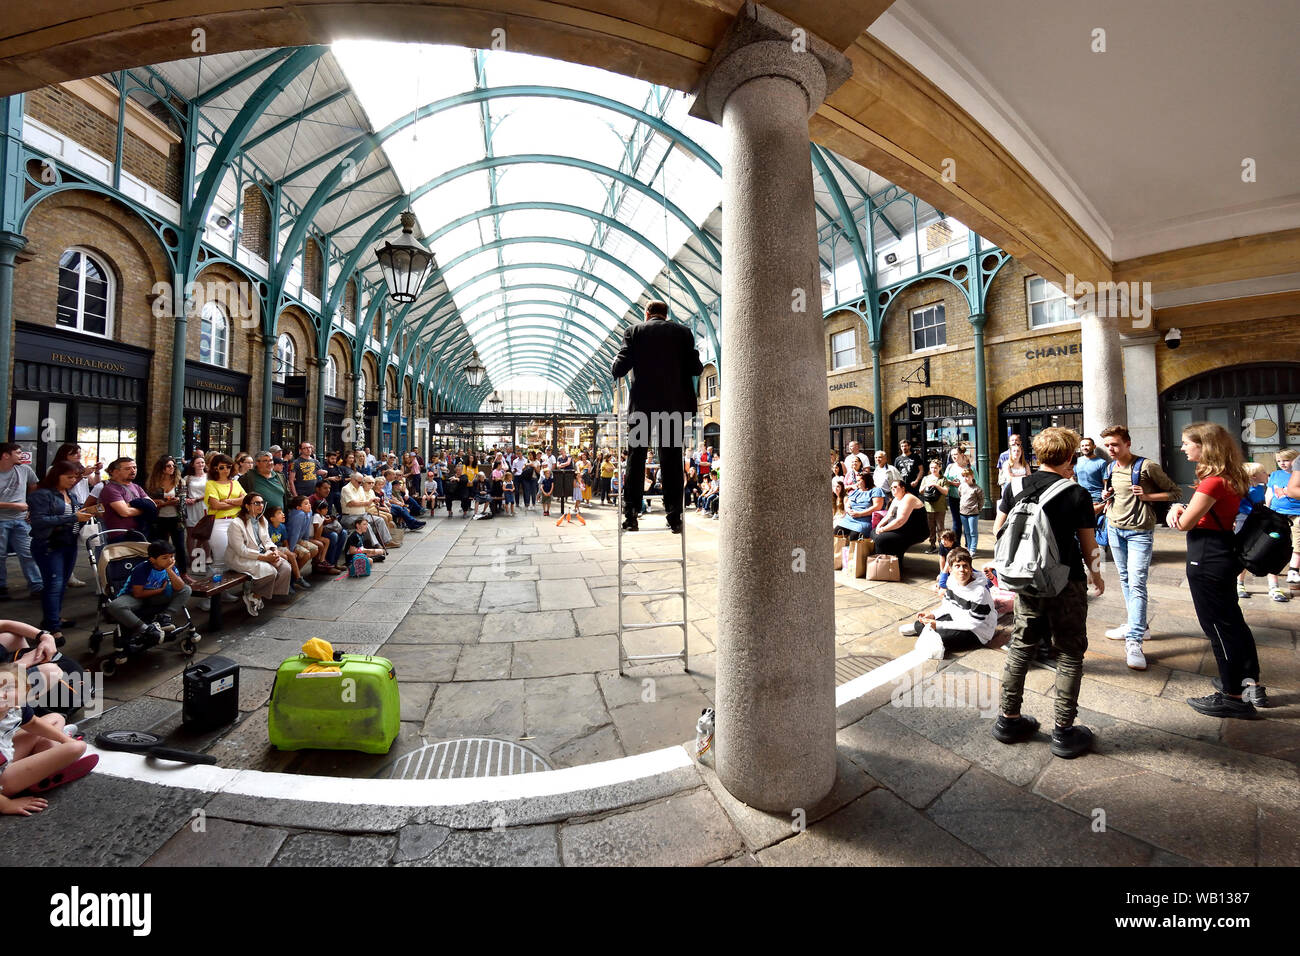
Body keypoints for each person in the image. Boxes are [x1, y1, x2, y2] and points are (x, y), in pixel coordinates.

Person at [992, 427, 1103, 760]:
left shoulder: (1014, 486)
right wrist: (1097, 575)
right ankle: (1064, 731)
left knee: (1022, 644)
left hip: (1027, 581)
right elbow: (1089, 545)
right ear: (1070, 457)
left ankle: (1008, 720)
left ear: (1036, 455)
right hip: (1065, 582)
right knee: (1069, 651)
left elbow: (999, 530)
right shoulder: (1076, 494)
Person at [1166, 422, 1266, 715]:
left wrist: (1176, 509)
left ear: (1204, 445)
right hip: (1222, 552)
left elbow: (1183, 523)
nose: (1183, 448)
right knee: (1233, 623)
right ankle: (1247, 684)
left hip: (1207, 556)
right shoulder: (1230, 476)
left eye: (1187, 443)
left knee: (1218, 628)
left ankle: (1233, 696)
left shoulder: (1213, 481)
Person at [612, 299, 703, 533]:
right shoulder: (683, 333)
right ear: (666, 314)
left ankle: (631, 514)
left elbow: (618, 369)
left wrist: (618, 361)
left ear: (647, 314)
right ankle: (674, 516)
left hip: (643, 406)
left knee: (636, 458)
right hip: (672, 407)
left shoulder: (634, 332)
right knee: (671, 460)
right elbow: (696, 368)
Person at [1098, 424, 1184, 671]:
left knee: (1137, 582)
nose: (1111, 449)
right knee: (1125, 579)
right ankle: (1137, 625)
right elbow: (1112, 493)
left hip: (1139, 532)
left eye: (1115, 444)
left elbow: (1175, 492)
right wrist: (1108, 495)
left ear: (1127, 443)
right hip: (1115, 528)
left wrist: (1148, 497)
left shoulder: (1146, 466)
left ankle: (1134, 640)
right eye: (1108, 445)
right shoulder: (1110, 467)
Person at [0, 665, 94, 811]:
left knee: (56, 718)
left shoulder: (16, 708)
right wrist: (6, 805)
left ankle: (40, 769)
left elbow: (33, 723)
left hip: (6, 759)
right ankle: (44, 769)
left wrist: (65, 740)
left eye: (8, 689)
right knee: (77, 747)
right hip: (2, 782)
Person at [27, 462, 94, 645]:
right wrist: (74, 517)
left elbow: (73, 517)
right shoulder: (42, 495)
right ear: (57, 475)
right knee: (53, 584)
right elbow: (39, 521)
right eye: (70, 477)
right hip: (49, 544)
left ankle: (54, 618)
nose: (73, 481)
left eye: (76, 477)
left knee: (61, 584)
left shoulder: (70, 494)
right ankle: (52, 627)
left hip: (68, 543)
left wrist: (85, 515)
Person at [899, 547, 997, 658]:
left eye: (965, 566)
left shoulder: (979, 592)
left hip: (977, 632)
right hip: (957, 618)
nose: (961, 570)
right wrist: (932, 615)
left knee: (940, 636)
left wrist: (938, 624)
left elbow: (972, 623)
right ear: (950, 569)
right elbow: (947, 605)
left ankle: (927, 632)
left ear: (970, 569)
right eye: (957, 566)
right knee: (920, 623)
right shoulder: (951, 581)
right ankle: (919, 628)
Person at [107, 540, 193, 650]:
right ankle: (147, 630)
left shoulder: (170, 566)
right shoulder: (142, 569)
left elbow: (180, 587)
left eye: (172, 556)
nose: (170, 560)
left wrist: (169, 571)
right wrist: (160, 590)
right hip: (134, 597)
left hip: (155, 597)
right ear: (153, 559)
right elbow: (138, 593)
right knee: (114, 606)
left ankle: (165, 617)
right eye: (165, 557)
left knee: (186, 589)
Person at [224, 493, 292, 616]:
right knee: (271, 571)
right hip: (240, 558)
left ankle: (256, 595)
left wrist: (274, 551)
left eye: (262, 503)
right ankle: (254, 595)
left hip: (261, 554)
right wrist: (264, 557)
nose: (260, 505)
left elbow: (267, 540)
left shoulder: (262, 520)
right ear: (247, 506)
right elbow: (241, 550)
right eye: (256, 503)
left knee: (286, 567)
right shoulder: (236, 524)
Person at [0, 443, 44, 602]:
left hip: (21, 519)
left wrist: (30, 506)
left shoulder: (25, 470)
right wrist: (13, 505)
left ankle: (37, 586)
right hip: (2, 519)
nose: (21, 455)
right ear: (5, 455)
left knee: (28, 552)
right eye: (17, 453)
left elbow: (34, 485)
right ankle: (1, 587)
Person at [146, 456, 190, 581]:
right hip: (159, 518)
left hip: (176, 518)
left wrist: (177, 501)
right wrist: (163, 503)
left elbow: (183, 500)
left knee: (180, 547)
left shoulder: (180, 481)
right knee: (161, 547)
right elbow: (149, 500)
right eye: (168, 466)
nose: (172, 468)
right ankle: (161, 574)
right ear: (162, 468)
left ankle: (183, 573)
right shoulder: (154, 482)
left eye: (173, 466)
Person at [1265, 448, 1300, 599]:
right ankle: (1273, 586)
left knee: (1298, 540)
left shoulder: (1297, 474)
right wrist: (1267, 509)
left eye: (1286, 460)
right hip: (1277, 513)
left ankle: (1293, 570)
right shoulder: (1275, 475)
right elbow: (1270, 493)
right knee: (1274, 545)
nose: (1282, 464)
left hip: (1297, 513)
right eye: (1279, 461)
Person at [203, 454, 244, 577]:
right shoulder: (211, 484)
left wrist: (227, 501)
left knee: (236, 556)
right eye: (222, 467)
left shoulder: (235, 483)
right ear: (215, 468)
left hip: (236, 522)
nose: (226, 470)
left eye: (228, 467)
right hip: (219, 523)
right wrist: (236, 503)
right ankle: (217, 591)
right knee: (220, 558)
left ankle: (226, 587)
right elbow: (216, 505)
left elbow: (246, 500)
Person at [1235, 463, 1270, 600]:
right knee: (1242, 551)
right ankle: (1239, 583)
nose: (1267, 474)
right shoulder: (1244, 490)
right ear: (1254, 476)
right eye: (1264, 472)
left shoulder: (1261, 488)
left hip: (1259, 520)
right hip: (1244, 520)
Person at [97, 457, 155, 536]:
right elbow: (124, 512)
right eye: (127, 468)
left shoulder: (136, 487)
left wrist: (147, 508)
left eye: (134, 467)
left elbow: (153, 505)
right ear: (116, 472)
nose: (133, 471)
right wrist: (146, 510)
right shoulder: (110, 489)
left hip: (140, 532)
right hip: (120, 534)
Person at [872, 479, 929, 557]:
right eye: (891, 488)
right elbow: (888, 515)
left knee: (881, 539)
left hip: (914, 531)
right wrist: (879, 526)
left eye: (895, 487)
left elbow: (900, 521)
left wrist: (883, 529)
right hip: (901, 528)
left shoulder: (909, 498)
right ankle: (886, 561)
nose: (893, 489)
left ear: (903, 488)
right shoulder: (896, 498)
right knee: (873, 532)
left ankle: (884, 563)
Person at [183, 454, 209, 568]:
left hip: (204, 506)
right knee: (191, 533)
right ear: (193, 465)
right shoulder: (187, 478)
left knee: (205, 534)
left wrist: (197, 499)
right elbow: (183, 492)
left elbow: (211, 493)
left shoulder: (209, 477)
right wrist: (186, 499)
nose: (201, 464)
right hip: (191, 507)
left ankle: (206, 558)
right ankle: (192, 558)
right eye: (198, 463)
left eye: (202, 462)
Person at [917, 459, 948, 553]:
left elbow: (946, 491)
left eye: (935, 467)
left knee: (940, 528)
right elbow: (920, 491)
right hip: (929, 507)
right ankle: (932, 545)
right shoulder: (926, 478)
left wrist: (936, 485)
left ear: (939, 468)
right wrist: (926, 485)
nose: (933, 469)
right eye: (931, 467)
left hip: (940, 507)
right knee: (931, 527)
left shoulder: (943, 479)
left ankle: (942, 546)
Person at [309, 497, 345, 571]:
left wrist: (332, 519)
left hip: (316, 536)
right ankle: (321, 561)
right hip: (312, 537)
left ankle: (327, 561)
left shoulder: (320, 516)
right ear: (318, 510)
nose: (327, 510)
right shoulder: (316, 516)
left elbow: (326, 521)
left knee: (338, 535)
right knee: (327, 540)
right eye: (325, 509)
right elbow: (316, 529)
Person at [943, 447, 969, 539]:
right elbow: (944, 480)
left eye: (956, 454)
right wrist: (952, 483)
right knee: (956, 522)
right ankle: (956, 545)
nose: (954, 456)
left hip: (966, 498)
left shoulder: (969, 467)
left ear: (961, 455)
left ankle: (968, 545)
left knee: (966, 522)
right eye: (952, 454)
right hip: (953, 497)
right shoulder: (950, 467)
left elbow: (975, 482)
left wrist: (964, 484)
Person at [957, 468, 984, 553]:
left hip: (973, 513)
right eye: (964, 476)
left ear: (972, 476)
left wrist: (978, 508)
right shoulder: (961, 486)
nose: (966, 478)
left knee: (973, 532)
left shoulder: (977, 489)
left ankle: (973, 549)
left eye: (967, 476)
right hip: (963, 512)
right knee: (967, 532)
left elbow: (981, 500)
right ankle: (968, 547)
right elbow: (960, 495)